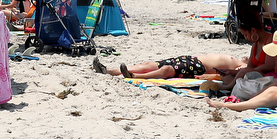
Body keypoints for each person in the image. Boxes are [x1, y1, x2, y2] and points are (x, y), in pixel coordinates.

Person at [93, 53, 243, 79]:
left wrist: (210, 76)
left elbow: (230, 75)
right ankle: (109, 71)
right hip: (192, 58)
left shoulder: (243, 68)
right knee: (149, 64)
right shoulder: (247, 60)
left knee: (167, 71)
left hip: (200, 66)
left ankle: (134, 75)